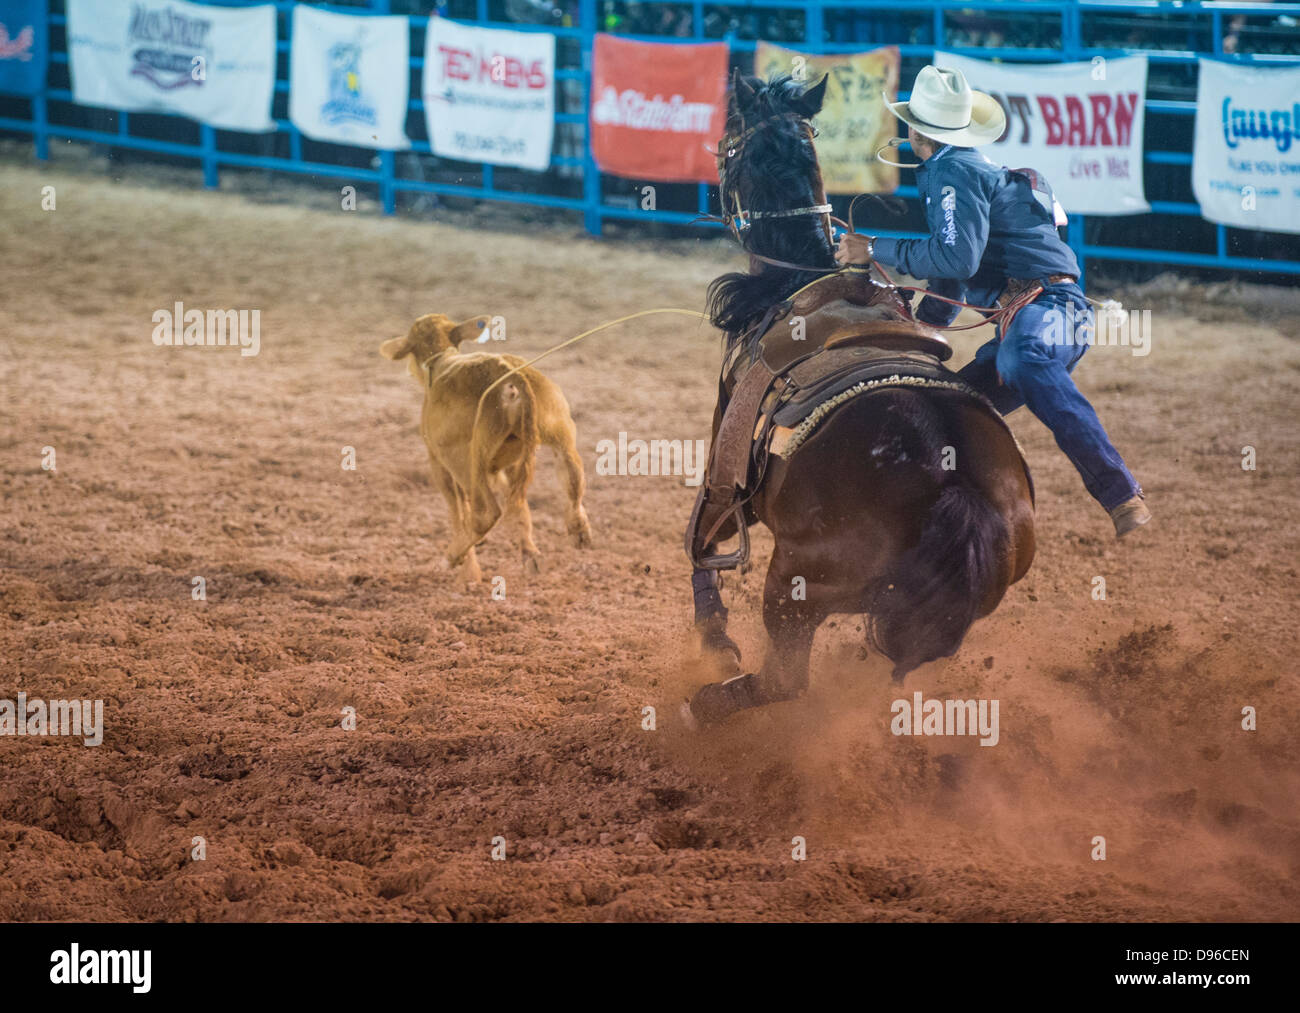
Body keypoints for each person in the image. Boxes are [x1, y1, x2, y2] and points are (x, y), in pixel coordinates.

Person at [835, 65, 1151, 538]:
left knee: (1021, 359)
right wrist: (923, 330)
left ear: (914, 129)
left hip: (1044, 313)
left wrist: (874, 248)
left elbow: (956, 260)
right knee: (943, 412)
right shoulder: (963, 171)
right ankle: (942, 533)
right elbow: (957, 271)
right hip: (1038, 317)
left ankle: (1119, 491)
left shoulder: (952, 171)